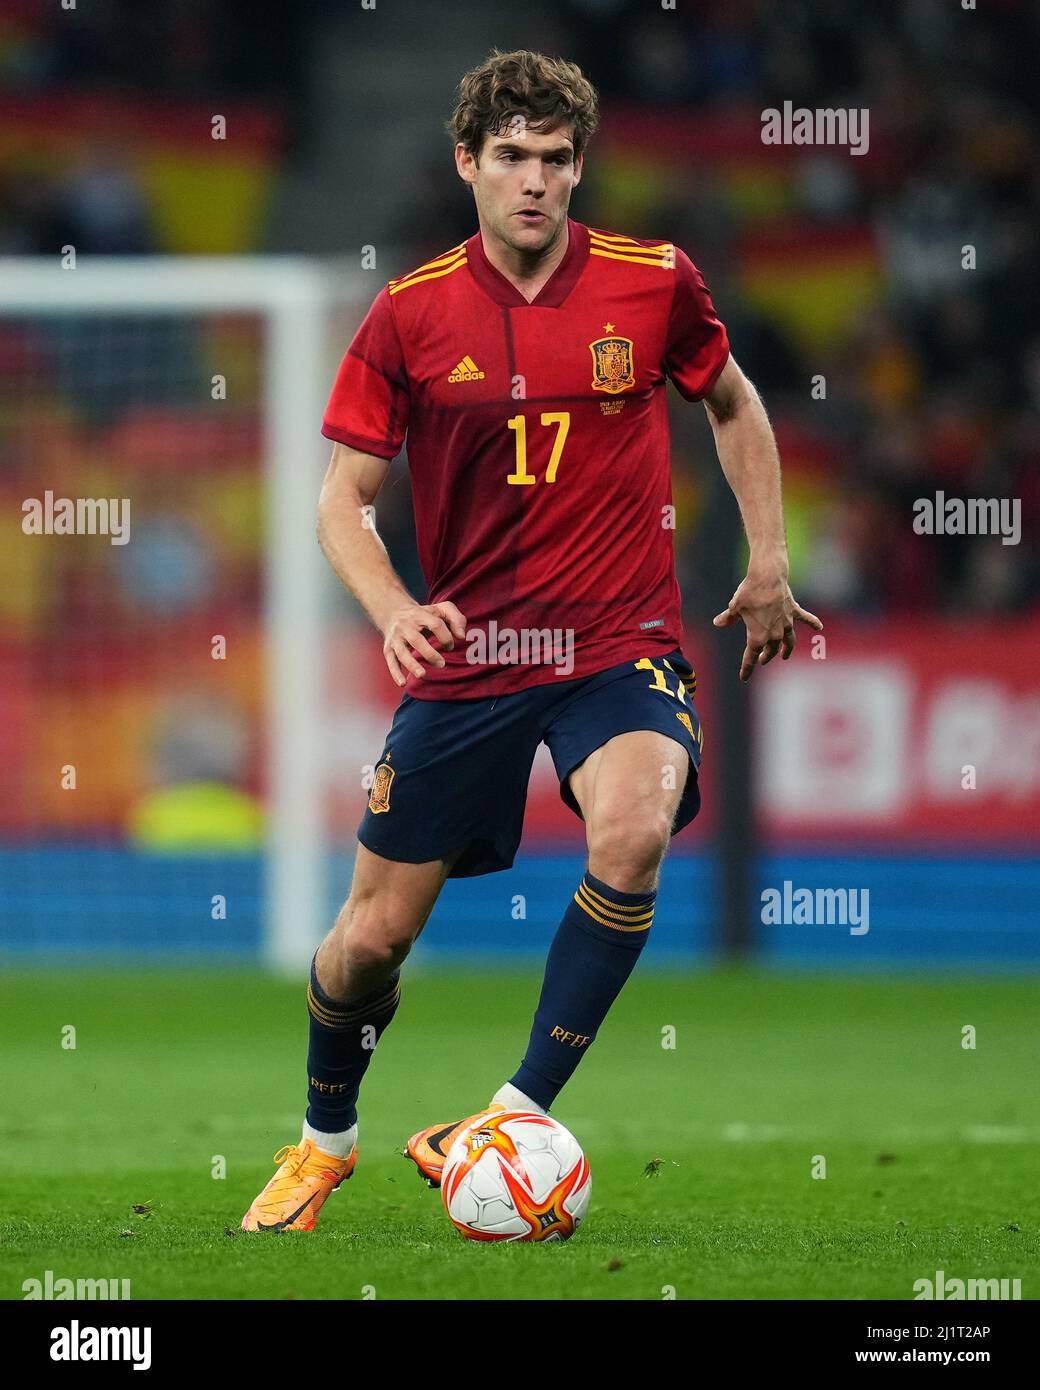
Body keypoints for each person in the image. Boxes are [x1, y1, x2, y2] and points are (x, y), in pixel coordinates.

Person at [241, 48, 821, 1233]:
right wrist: (398, 610)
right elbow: (338, 501)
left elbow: (733, 401)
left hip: (618, 639)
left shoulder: (651, 282)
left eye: (555, 160)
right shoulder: (408, 312)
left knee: (634, 823)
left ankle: (508, 1112)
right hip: (469, 659)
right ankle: (323, 1142)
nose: (534, 183)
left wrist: (766, 560)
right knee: (369, 942)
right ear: (467, 162)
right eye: (509, 157)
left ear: (577, 168)